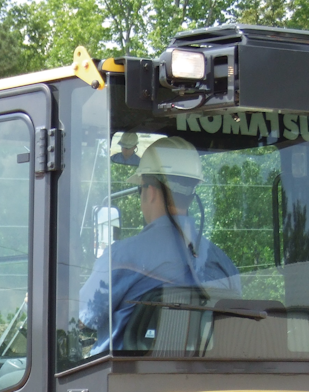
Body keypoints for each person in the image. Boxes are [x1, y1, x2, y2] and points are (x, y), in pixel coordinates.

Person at [79, 135, 241, 354]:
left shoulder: (120, 258)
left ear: (151, 192)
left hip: (121, 384)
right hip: (202, 383)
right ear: (192, 196)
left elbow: (83, 318)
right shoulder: (223, 265)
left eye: (140, 190)